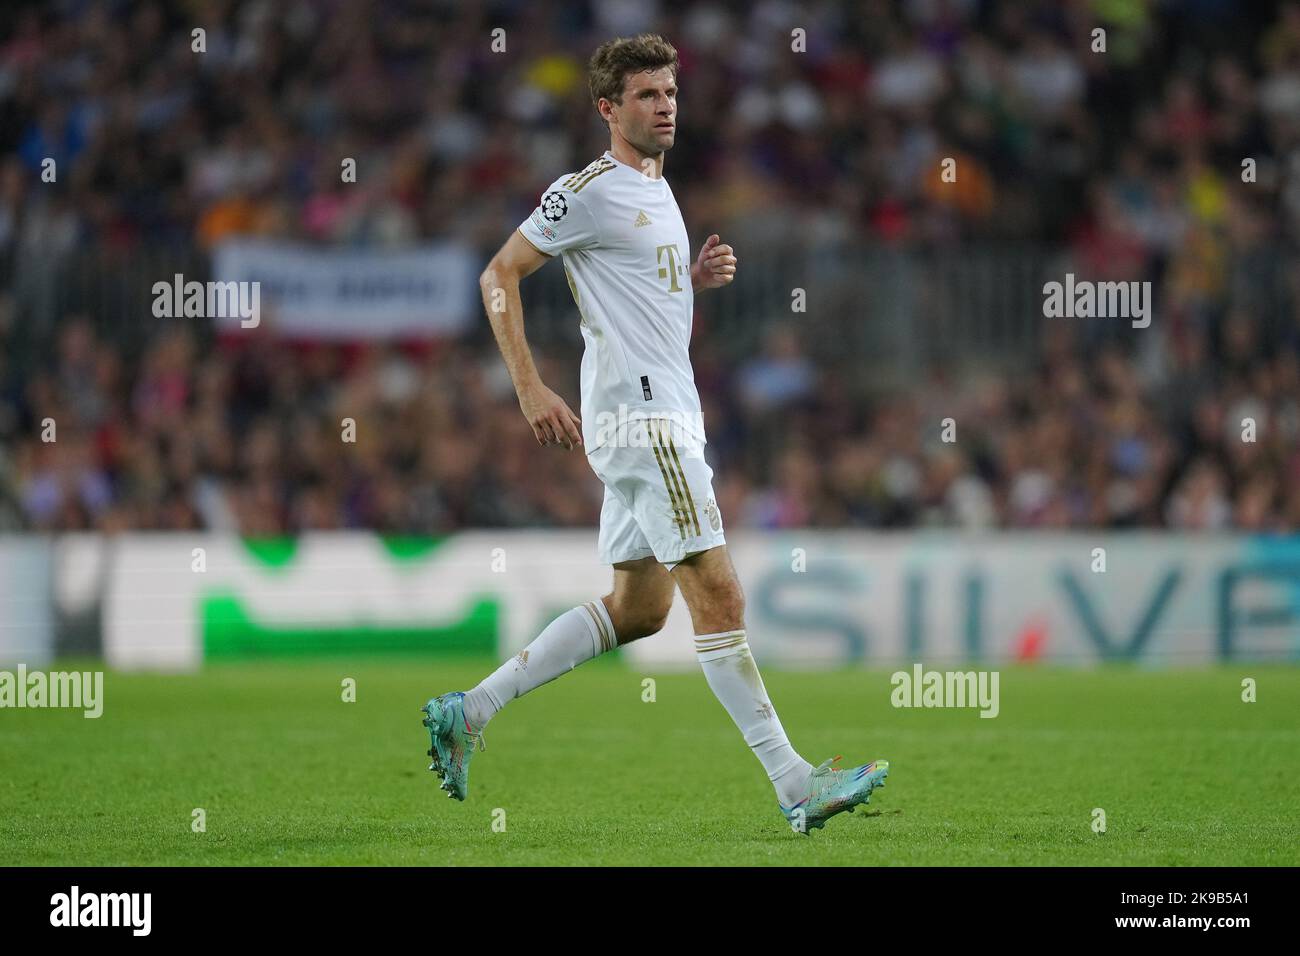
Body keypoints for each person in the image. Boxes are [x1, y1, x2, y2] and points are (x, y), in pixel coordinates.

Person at [422, 33, 888, 834]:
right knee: (720, 591)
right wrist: (530, 385)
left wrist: (690, 279)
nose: (665, 105)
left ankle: (470, 710)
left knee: (640, 610)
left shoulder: (658, 188)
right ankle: (794, 782)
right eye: (646, 95)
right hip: (646, 420)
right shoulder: (589, 190)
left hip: (658, 411)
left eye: (670, 92)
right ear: (609, 108)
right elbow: (498, 273)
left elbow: (634, 294)